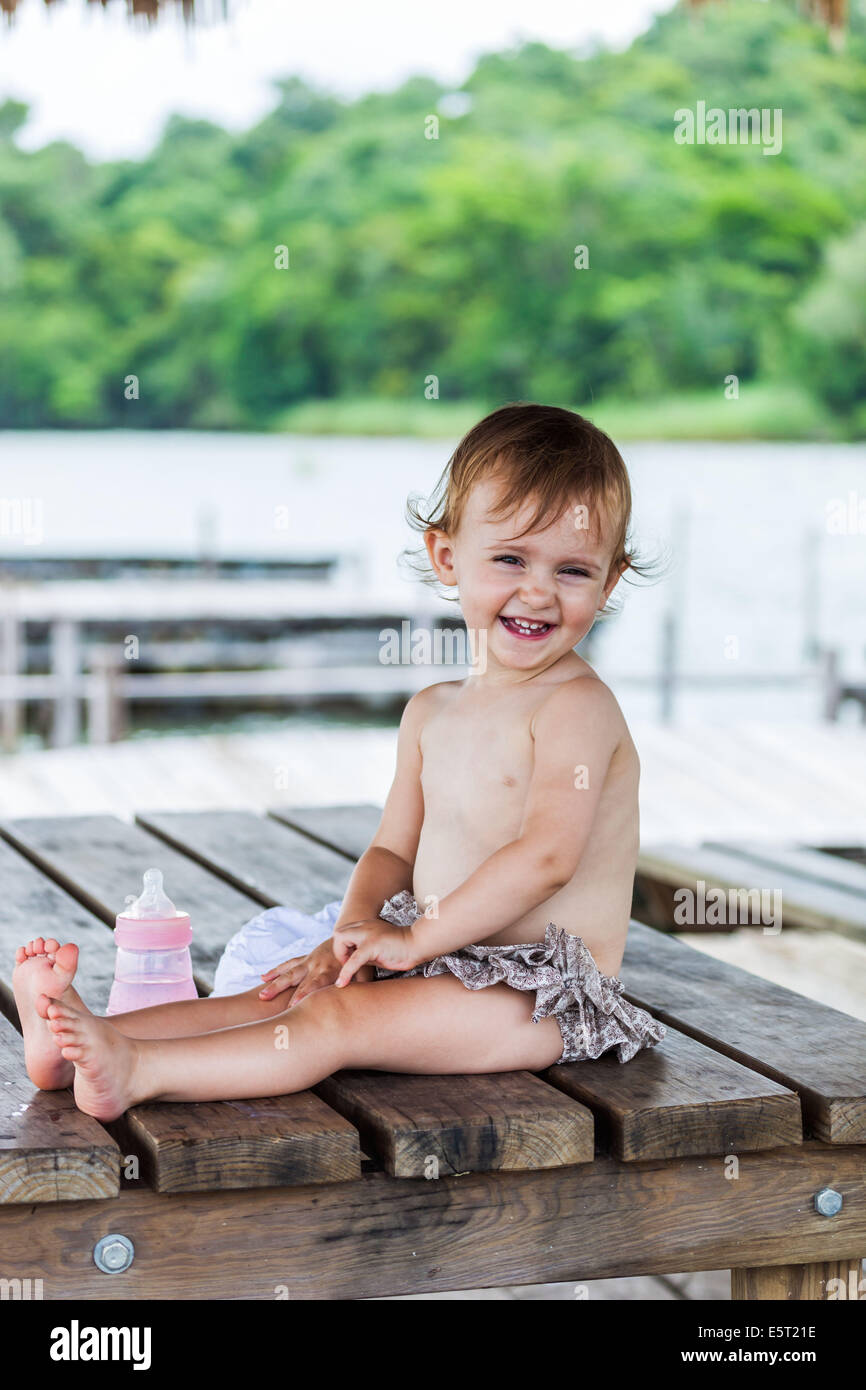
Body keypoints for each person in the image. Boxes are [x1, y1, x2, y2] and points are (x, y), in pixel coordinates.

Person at [12, 402, 665, 1123]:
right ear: (448, 556)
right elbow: (392, 848)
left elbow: (547, 856)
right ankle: (82, 1043)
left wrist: (414, 938)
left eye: (573, 570)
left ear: (609, 583)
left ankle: (137, 1069)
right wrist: (349, 937)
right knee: (288, 996)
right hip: (446, 958)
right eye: (510, 558)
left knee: (335, 1024)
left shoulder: (575, 707)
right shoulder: (432, 711)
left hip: (541, 995)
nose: (539, 591)